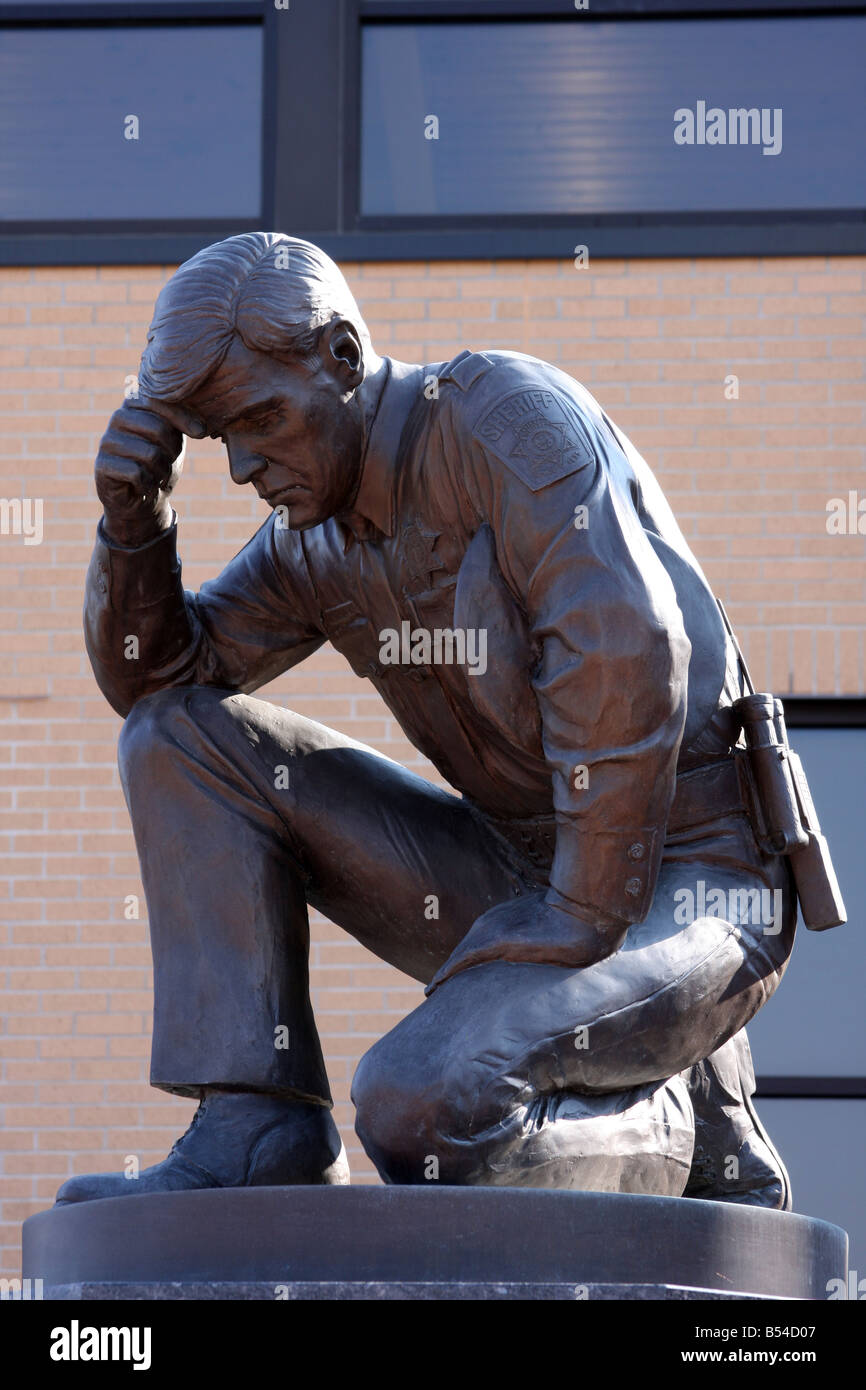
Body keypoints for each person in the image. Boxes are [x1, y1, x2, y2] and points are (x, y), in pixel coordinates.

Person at [57, 233, 795, 1206]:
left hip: (688, 877)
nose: (241, 465)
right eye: (218, 437)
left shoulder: (505, 420)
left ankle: (679, 1111)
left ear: (341, 361)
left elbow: (627, 648)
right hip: (515, 876)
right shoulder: (307, 539)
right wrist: (133, 522)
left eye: (261, 420)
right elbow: (161, 679)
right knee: (174, 735)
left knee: (422, 1112)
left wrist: (578, 910)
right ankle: (255, 1127)